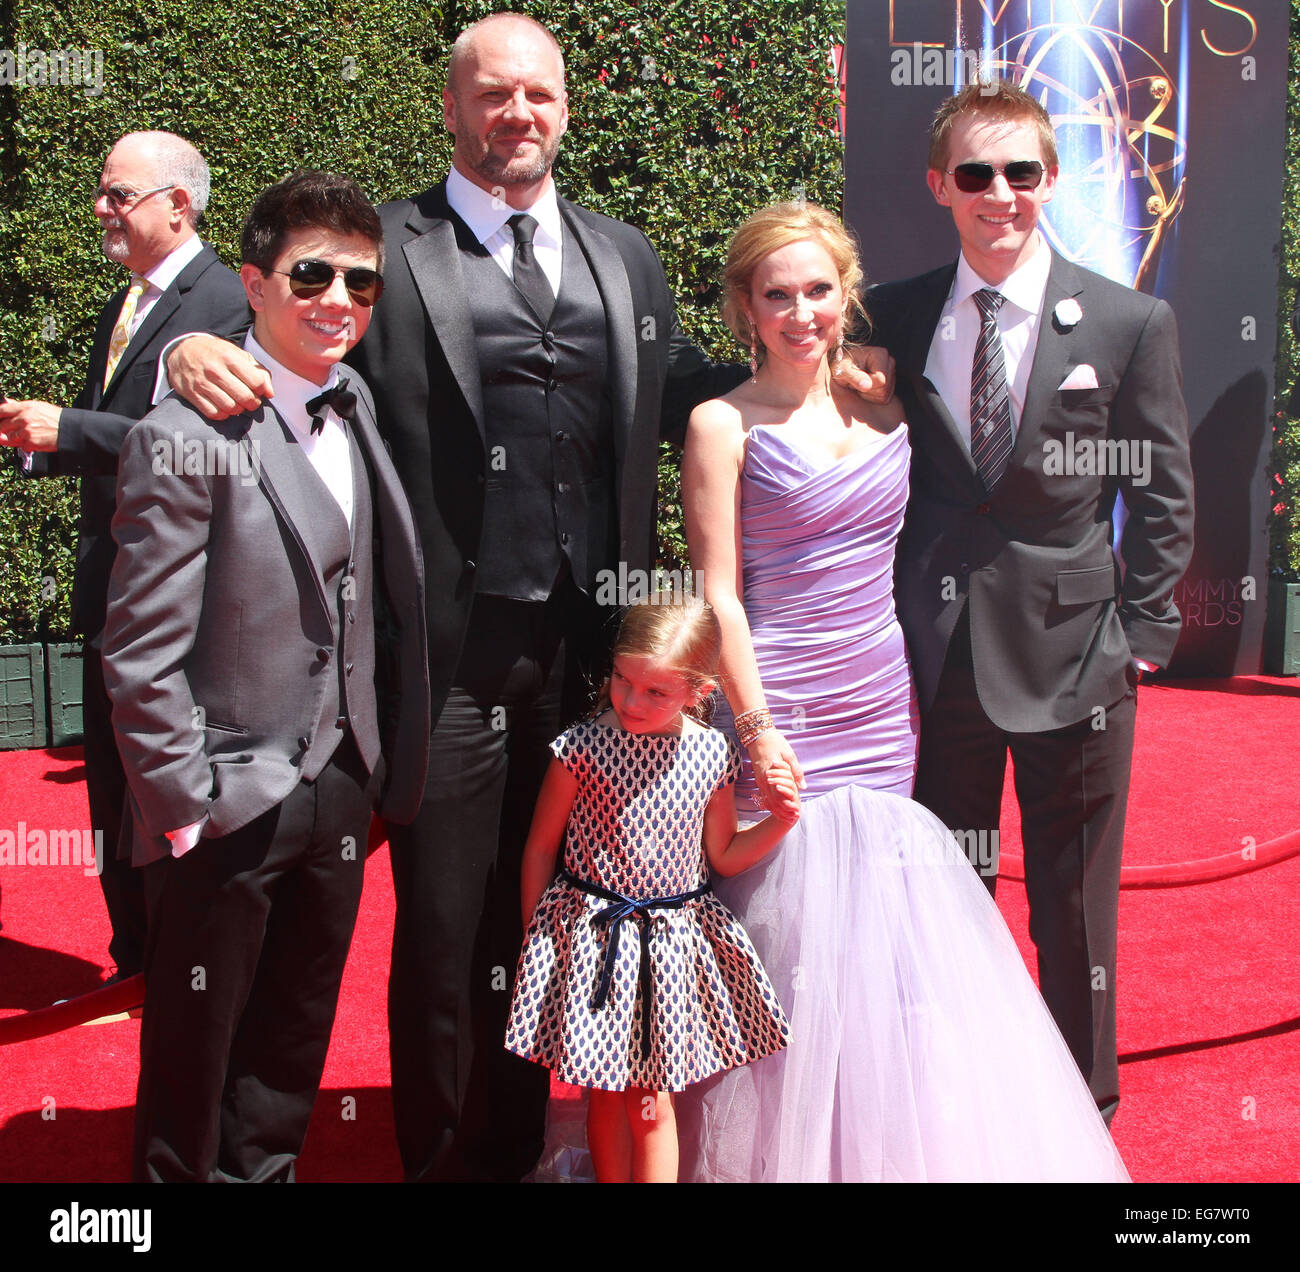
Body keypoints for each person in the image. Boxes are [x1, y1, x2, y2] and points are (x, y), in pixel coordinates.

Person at [160, 12, 890, 1182]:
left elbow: (682, 391)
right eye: (493, 95)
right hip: (440, 660)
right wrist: (175, 357)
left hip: (597, 664)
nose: (518, 115)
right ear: (452, 109)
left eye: (539, 96)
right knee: (454, 931)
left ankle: (553, 1134)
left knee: (587, 905)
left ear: (565, 109)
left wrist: (824, 373)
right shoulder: (385, 246)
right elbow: (275, 319)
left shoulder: (623, 255)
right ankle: (457, 1163)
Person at [677, 200, 1129, 1181]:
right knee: (783, 922)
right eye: (777, 295)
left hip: (880, 694)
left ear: (847, 296)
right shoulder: (719, 425)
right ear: (745, 309)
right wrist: (751, 727)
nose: (801, 312)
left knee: (878, 924)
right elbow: (719, 596)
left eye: (818, 290)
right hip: (780, 692)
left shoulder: (886, 401)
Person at [867, 82, 1195, 1122]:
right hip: (940, 654)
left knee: (1074, 906)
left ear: (1051, 180)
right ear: (938, 186)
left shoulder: (1128, 318)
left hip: (1078, 656)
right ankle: (952, 1088)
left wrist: (1139, 637)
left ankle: (1076, 1107)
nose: (998, 194)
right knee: (949, 891)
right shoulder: (895, 314)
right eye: (975, 174)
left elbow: (1162, 490)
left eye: (1019, 172)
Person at [102, 171, 430, 1182]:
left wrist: (368, 766)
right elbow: (138, 647)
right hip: (225, 803)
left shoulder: (358, 402)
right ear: (251, 283)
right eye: (313, 275)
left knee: (289, 1053)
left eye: (361, 284)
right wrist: (183, 808)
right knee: (193, 1069)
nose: (339, 300)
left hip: (338, 783)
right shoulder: (181, 436)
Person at [0, 132, 247, 981]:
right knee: (110, 781)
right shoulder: (130, 302)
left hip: (177, 595)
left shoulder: (225, 305)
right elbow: (111, 434)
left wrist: (65, 428)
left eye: (120, 195)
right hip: (112, 583)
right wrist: (36, 444)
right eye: (103, 193)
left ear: (178, 205)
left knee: (162, 785)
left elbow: (193, 445)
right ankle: (135, 958)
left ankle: (182, 966)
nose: (103, 209)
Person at [505, 594, 796, 1183]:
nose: (631, 701)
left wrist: (780, 822)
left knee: (652, 1103)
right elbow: (540, 848)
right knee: (605, 1098)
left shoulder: (712, 753)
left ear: (699, 691)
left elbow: (724, 855)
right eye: (621, 679)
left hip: (667, 950)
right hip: (594, 943)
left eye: (655, 692)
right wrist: (538, 940)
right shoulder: (580, 749)